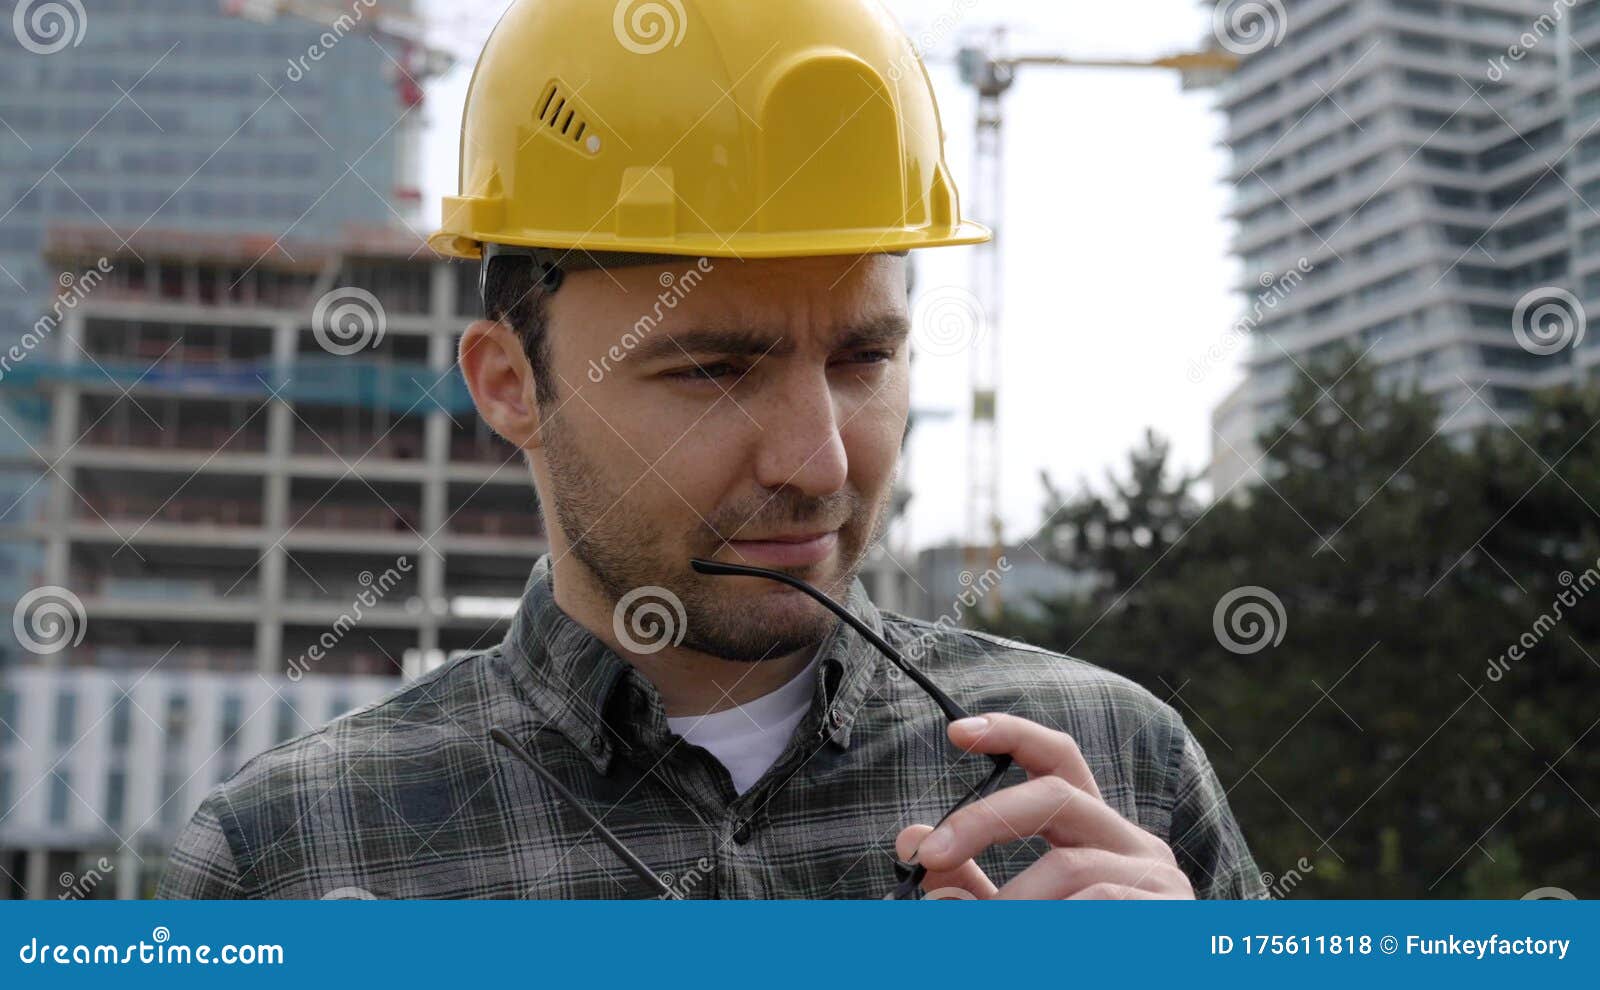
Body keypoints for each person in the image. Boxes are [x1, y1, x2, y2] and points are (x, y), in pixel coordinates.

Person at [159, 0, 1263, 900]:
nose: (820, 465)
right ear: (509, 384)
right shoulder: (292, 858)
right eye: (713, 371)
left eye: (863, 358)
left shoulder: (1122, 776)